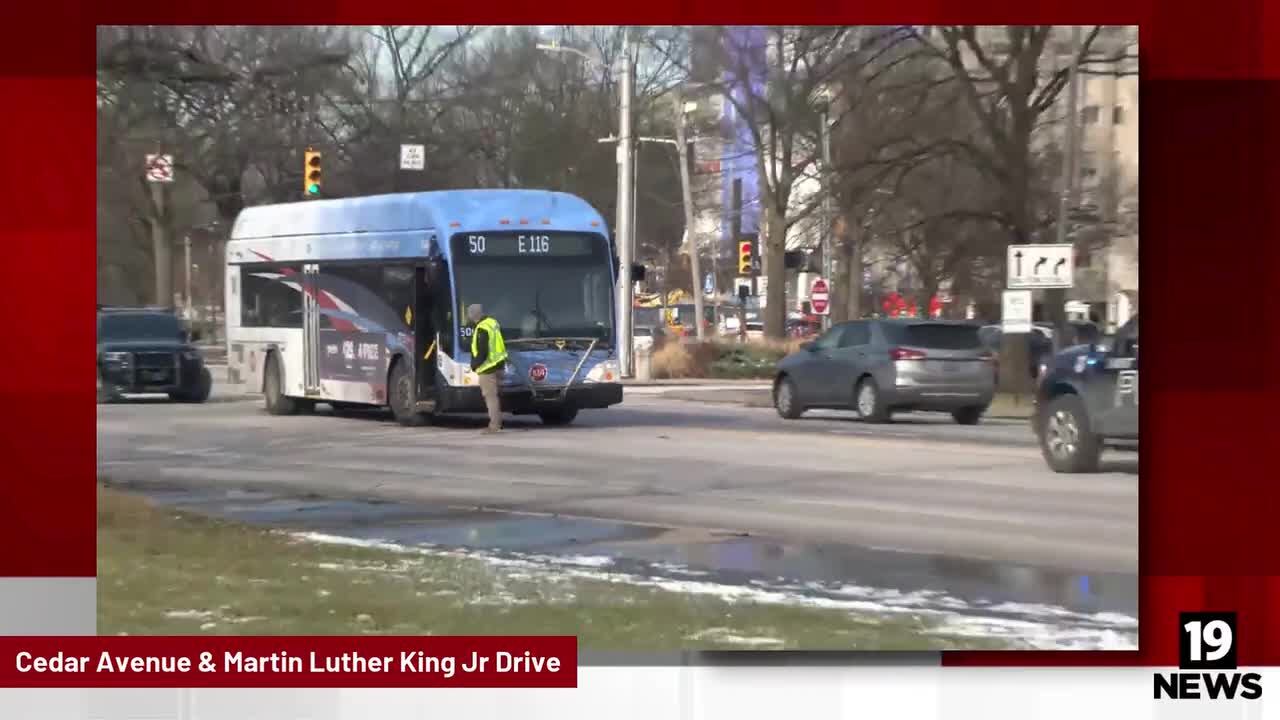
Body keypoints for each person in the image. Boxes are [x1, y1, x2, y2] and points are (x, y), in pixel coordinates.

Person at [467, 303, 508, 433]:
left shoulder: (481, 328)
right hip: (499, 365)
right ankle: (499, 423)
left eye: (469, 314)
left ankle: (494, 426)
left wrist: (474, 366)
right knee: (497, 396)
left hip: (487, 368)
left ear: (473, 315)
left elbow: (482, 351)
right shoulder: (493, 323)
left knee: (490, 397)